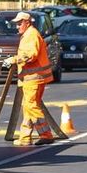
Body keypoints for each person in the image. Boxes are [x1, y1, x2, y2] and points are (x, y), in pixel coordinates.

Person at [3, 11, 55, 145]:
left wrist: (14, 59)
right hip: (30, 78)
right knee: (27, 107)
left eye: (20, 23)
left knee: (31, 106)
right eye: (17, 24)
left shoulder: (31, 35)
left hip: (34, 78)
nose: (17, 26)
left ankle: (46, 134)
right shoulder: (28, 34)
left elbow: (31, 55)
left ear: (27, 22)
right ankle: (25, 138)